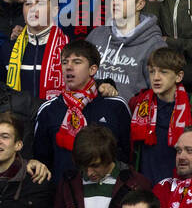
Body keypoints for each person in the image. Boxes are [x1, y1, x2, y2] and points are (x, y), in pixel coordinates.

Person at [33, 39, 132, 180]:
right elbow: (42, 161)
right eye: (65, 62)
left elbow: (127, 155)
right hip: (64, 194)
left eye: (77, 62)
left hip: (108, 193)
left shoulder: (116, 105)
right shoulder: (48, 110)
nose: (68, 67)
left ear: (93, 69)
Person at [129, 47, 192, 185]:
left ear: (179, 76)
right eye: (152, 72)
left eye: (163, 72)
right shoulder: (138, 103)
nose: (156, 77)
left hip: (183, 187)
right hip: (145, 187)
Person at [85, 0, 167, 103]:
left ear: (140, 4)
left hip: (130, 119)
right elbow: (80, 78)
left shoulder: (154, 45)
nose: (115, 2)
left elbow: (159, 94)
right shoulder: (96, 35)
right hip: (90, 116)